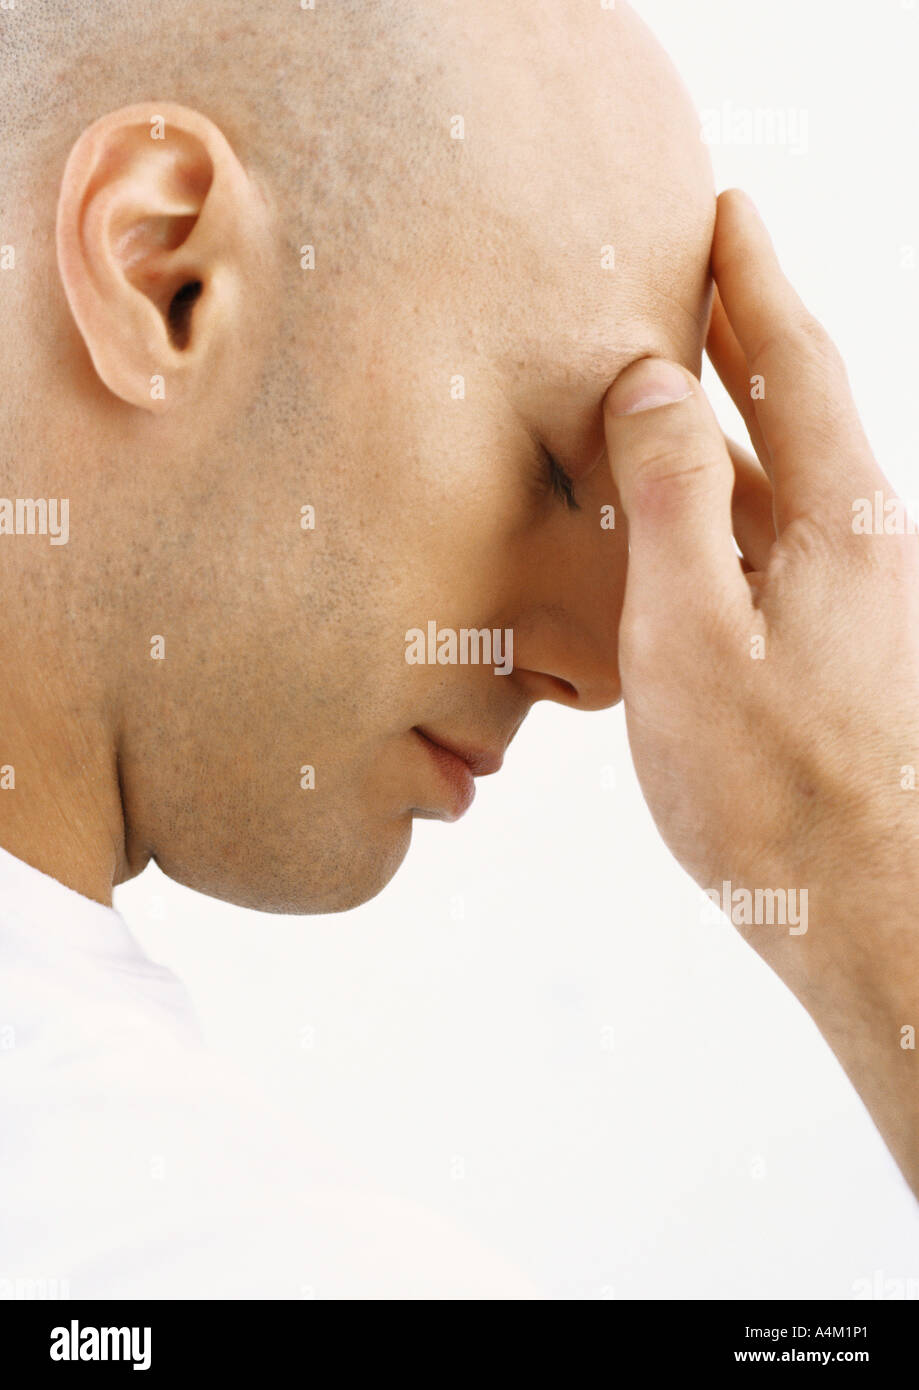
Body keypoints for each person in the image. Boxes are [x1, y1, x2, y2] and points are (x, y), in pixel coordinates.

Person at [0, 0, 915, 1296]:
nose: (608, 673)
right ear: (166, 277)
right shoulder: (204, 1247)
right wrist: (867, 849)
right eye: (553, 465)